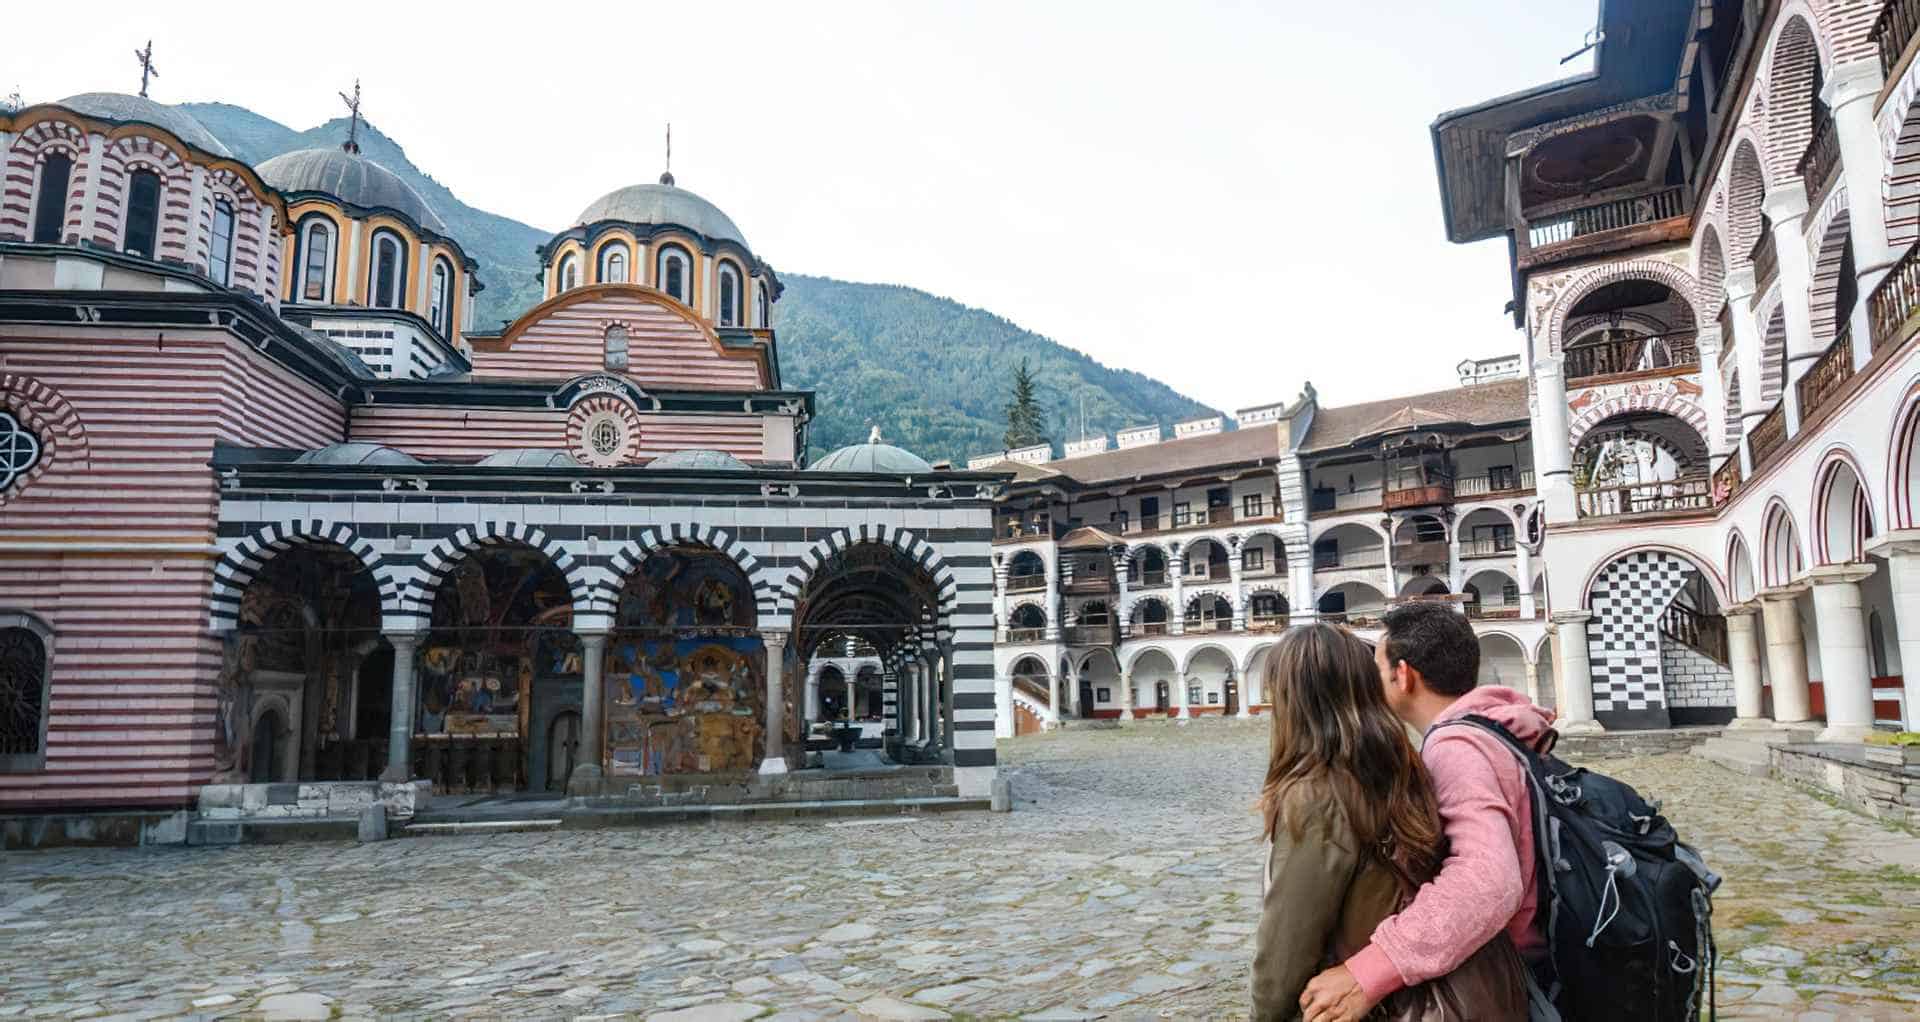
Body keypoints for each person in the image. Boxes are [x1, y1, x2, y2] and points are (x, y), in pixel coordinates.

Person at [1252, 623, 1524, 1021]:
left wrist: (1267, 1013)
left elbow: (1287, 944)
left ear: (1294, 700)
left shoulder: (1317, 795)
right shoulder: (1403, 768)